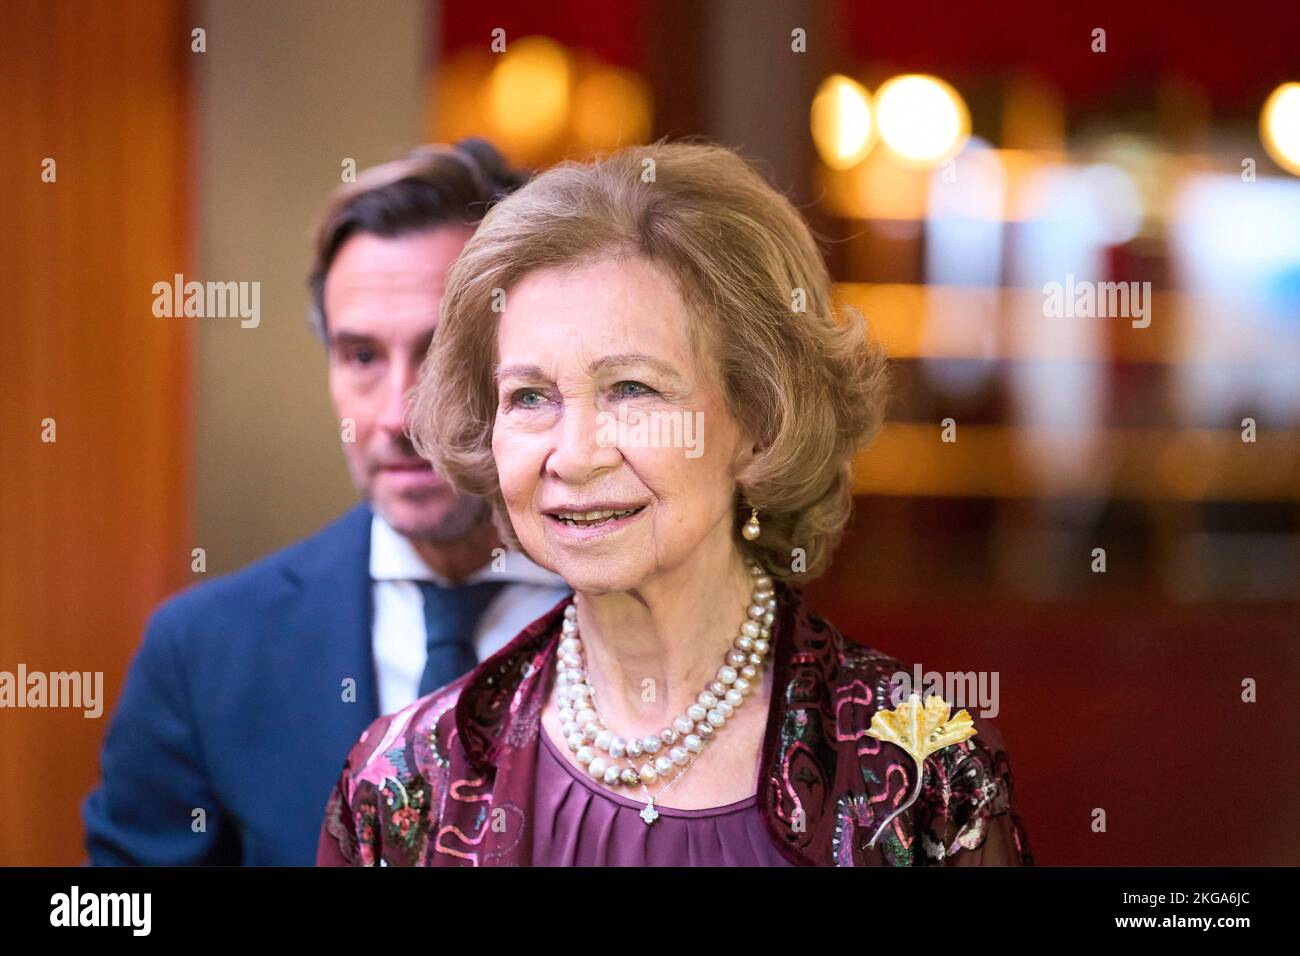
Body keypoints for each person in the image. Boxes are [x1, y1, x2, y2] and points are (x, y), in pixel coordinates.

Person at [317, 140, 1034, 866]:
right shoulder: (407, 783)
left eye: (632, 389)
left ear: (759, 423)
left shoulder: (916, 772)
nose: (573, 454)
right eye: (530, 397)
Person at [82, 140, 570, 866]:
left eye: (441, 352)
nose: (398, 417)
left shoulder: (658, 618)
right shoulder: (203, 653)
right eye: (362, 356)